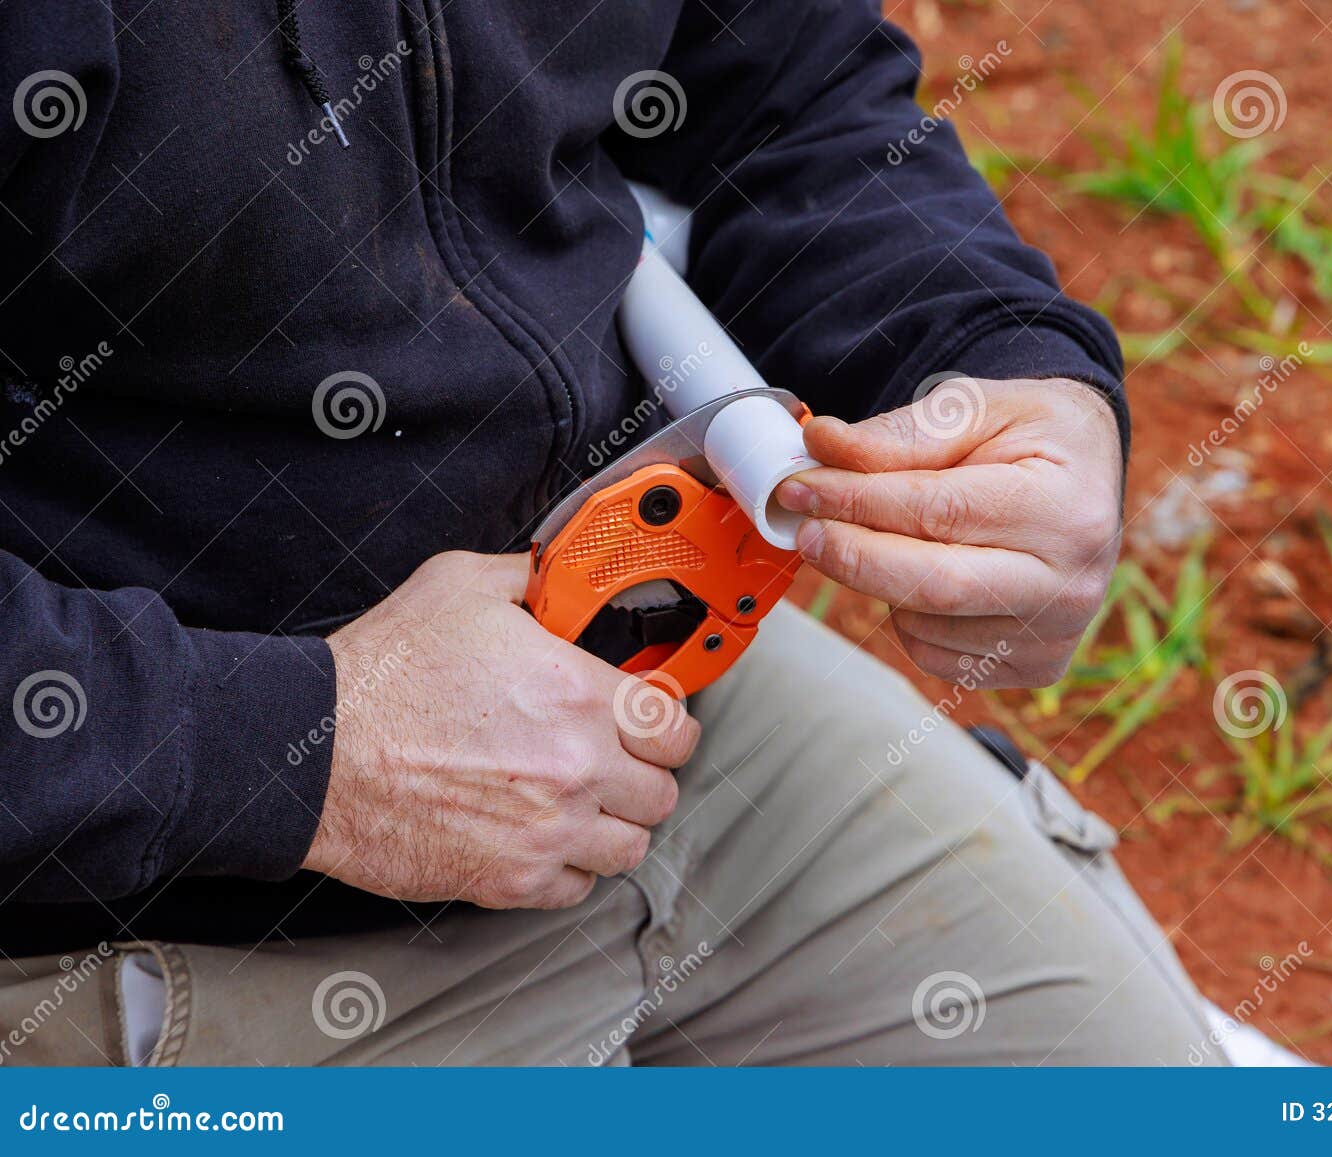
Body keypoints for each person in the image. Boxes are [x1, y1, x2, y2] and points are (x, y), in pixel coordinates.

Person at [0, 1, 1217, 1065]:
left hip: (671, 702)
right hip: (171, 888)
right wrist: (304, 745)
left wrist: (992, 362)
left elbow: (787, 92)